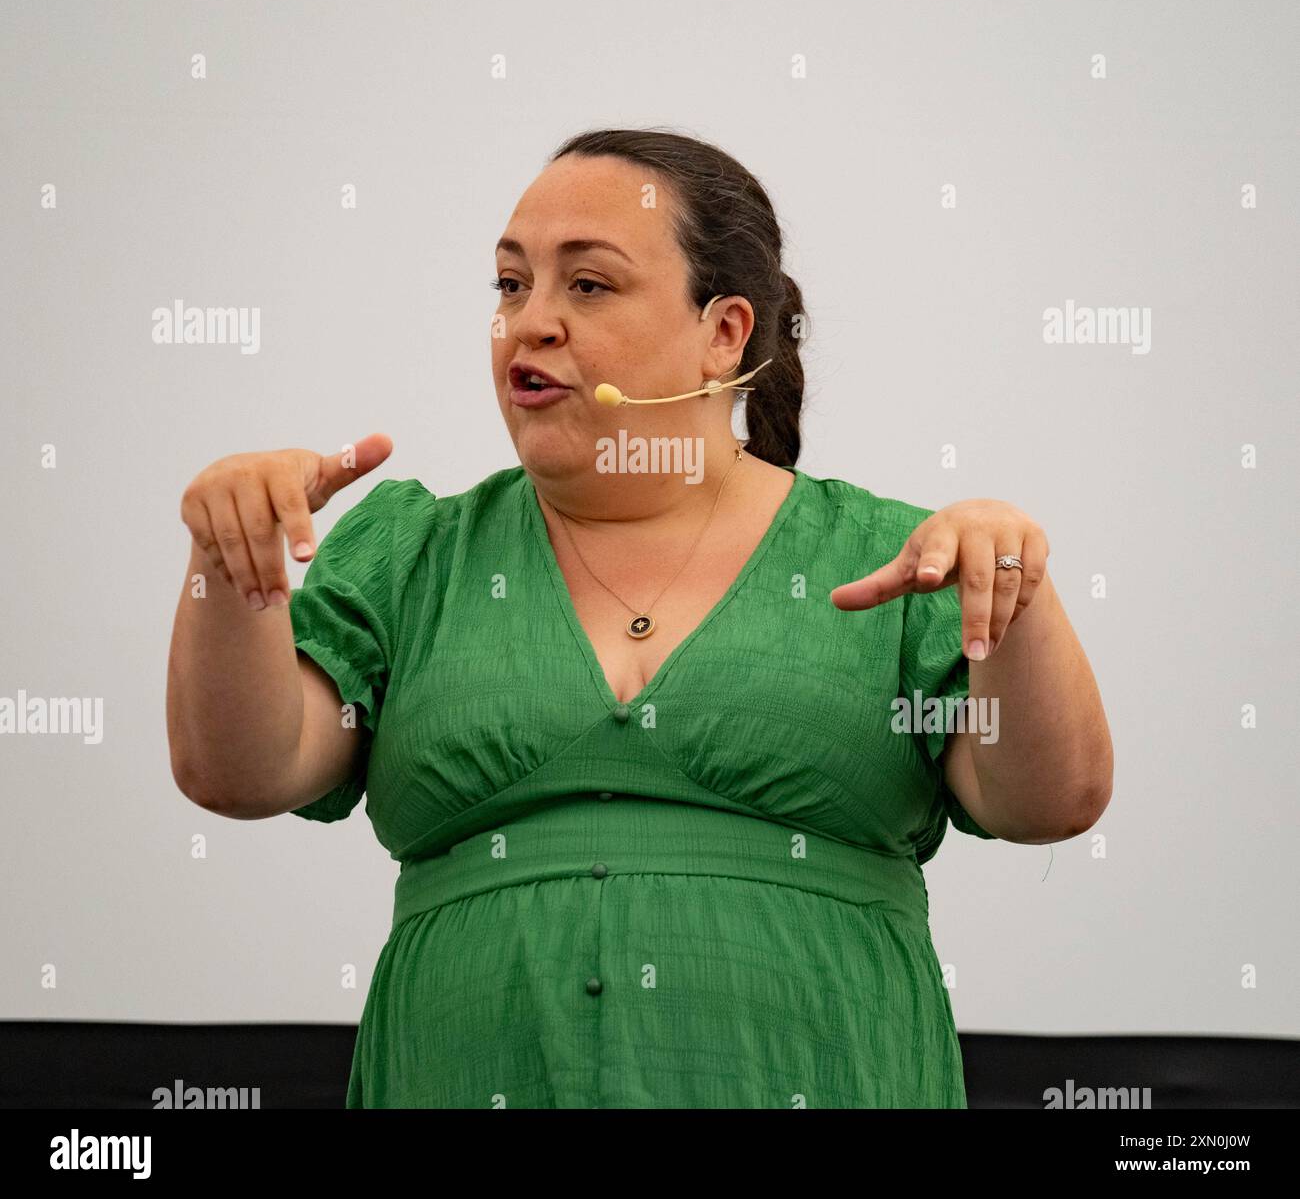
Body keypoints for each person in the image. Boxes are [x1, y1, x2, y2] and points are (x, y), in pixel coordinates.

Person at [167, 127, 1112, 1108]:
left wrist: (1018, 602)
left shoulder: (894, 558)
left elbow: (1049, 800)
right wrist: (230, 566)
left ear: (724, 332)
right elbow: (241, 771)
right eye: (508, 285)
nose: (529, 322)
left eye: (587, 286)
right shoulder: (415, 554)